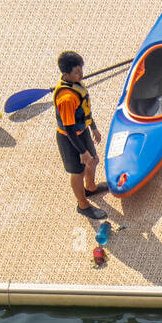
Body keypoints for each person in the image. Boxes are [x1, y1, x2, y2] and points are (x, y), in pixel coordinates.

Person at [55, 51, 107, 220]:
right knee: (78, 171)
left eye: (81, 70)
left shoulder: (77, 84)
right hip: (69, 139)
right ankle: (83, 205)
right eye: (77, 72)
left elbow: (85, 110)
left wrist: (93, 128)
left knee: (94, 161)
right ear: (66, 74)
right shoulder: (67, 98)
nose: (81, 74)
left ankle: (90, 187)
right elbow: (69, 129)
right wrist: (82, 151)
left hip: (82, 131)